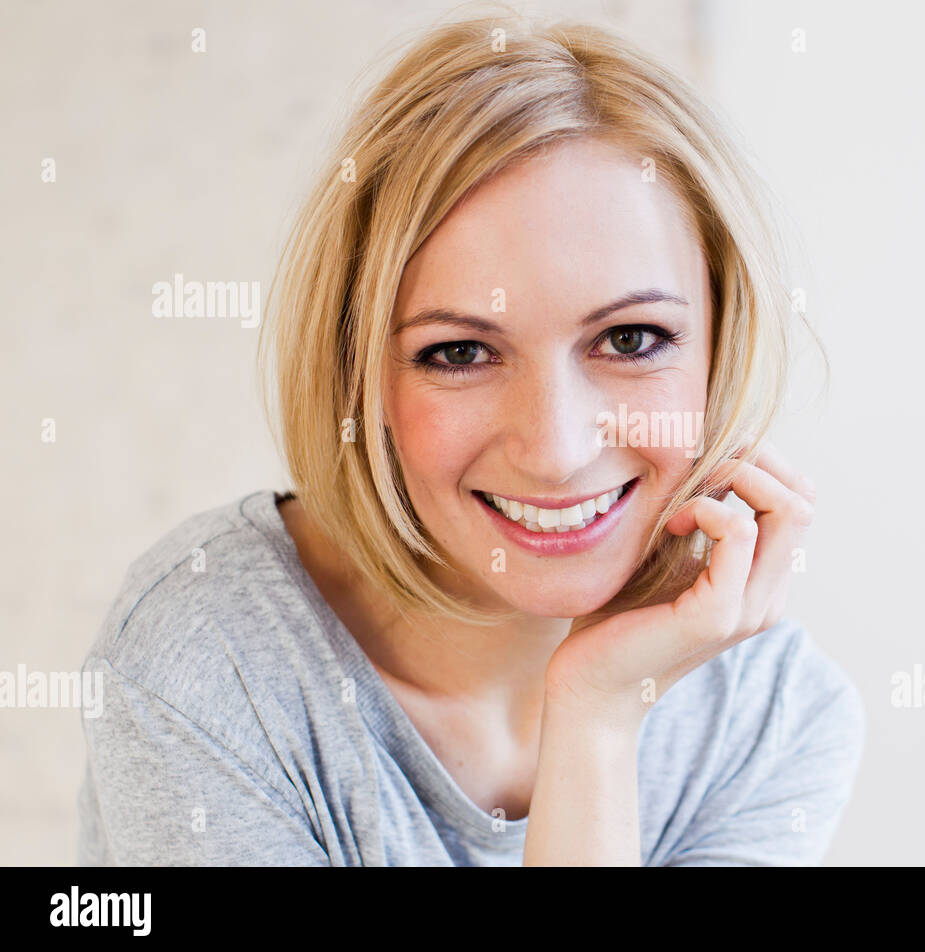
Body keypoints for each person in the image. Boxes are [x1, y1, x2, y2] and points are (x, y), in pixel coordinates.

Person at [76, 11, 865, 866]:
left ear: (721, 345)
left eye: (631, 339)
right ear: (360, 375)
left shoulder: (770, 719)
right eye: (460, 353)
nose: (557, 449)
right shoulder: (213, 663)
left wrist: (595, 711)